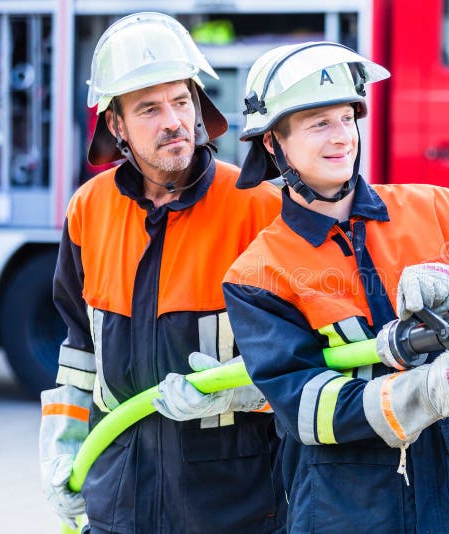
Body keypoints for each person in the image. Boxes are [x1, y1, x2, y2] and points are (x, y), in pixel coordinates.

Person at [222, 41, 449, 533]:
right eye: (318, 124)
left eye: (346, 118)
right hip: (349, 516)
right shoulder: (258, 274)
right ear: (273, 143)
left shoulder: (438, 211)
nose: (341, 137)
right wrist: (424, 393)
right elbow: (307, 407)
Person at [38, 12, 285, 533]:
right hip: (117, 504)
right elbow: (79, 352)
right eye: (149, 108)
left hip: (233, 510)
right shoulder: (88, 210)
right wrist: (63, 450)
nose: (173, 121)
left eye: (181, 101)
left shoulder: (257, 209)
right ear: (116, 125)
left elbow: (304, 360)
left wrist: (238, 393)